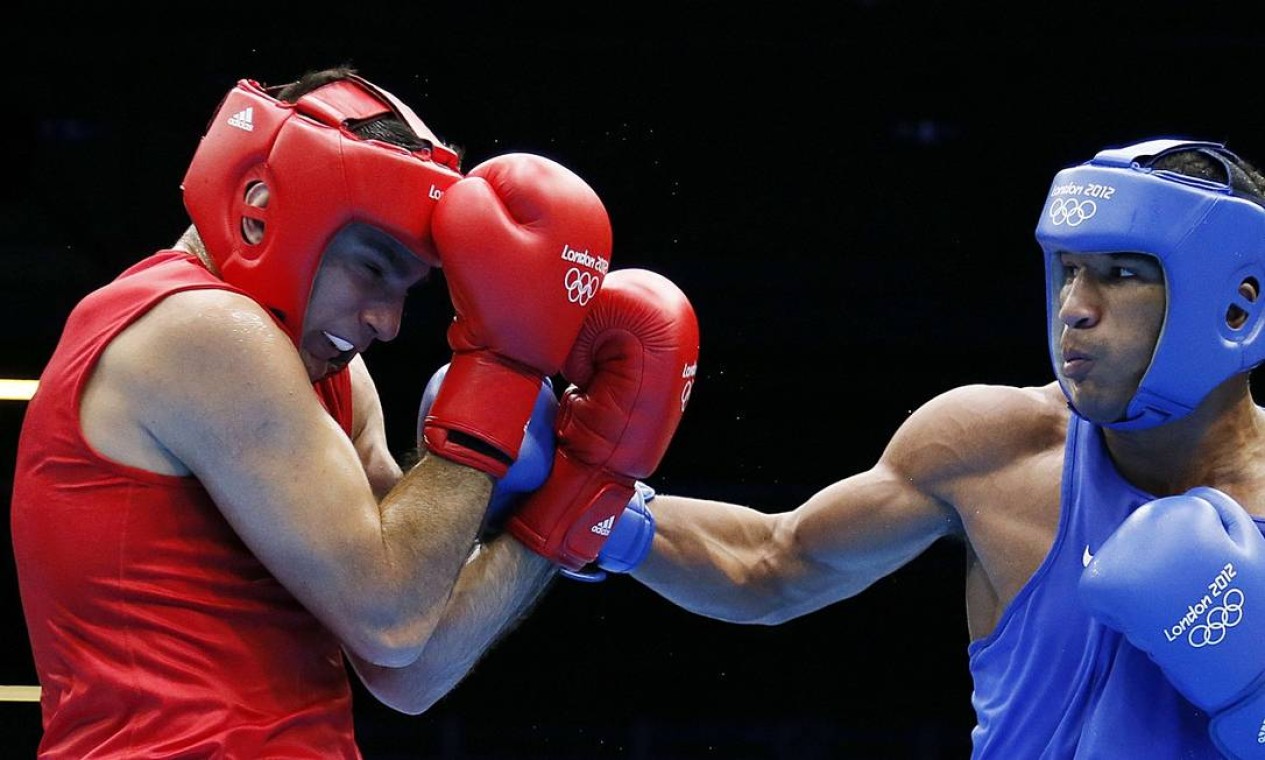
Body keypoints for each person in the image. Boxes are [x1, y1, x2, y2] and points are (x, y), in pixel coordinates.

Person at [8, 65, 643, 758]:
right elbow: (389, 618)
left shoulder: (325, 377)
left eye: (409, 289)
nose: (389, 321)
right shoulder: (200, 328)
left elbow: (414, 664)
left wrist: (581, 489)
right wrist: (504, 371)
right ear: (260, 204)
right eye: (372, 268)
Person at [580, 138, 1265, 758]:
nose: (1073, 308)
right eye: (1068, 269)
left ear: (1234, 306)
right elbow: (772, 562)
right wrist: (591, 507)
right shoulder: (993, 445)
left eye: (1119, 273)